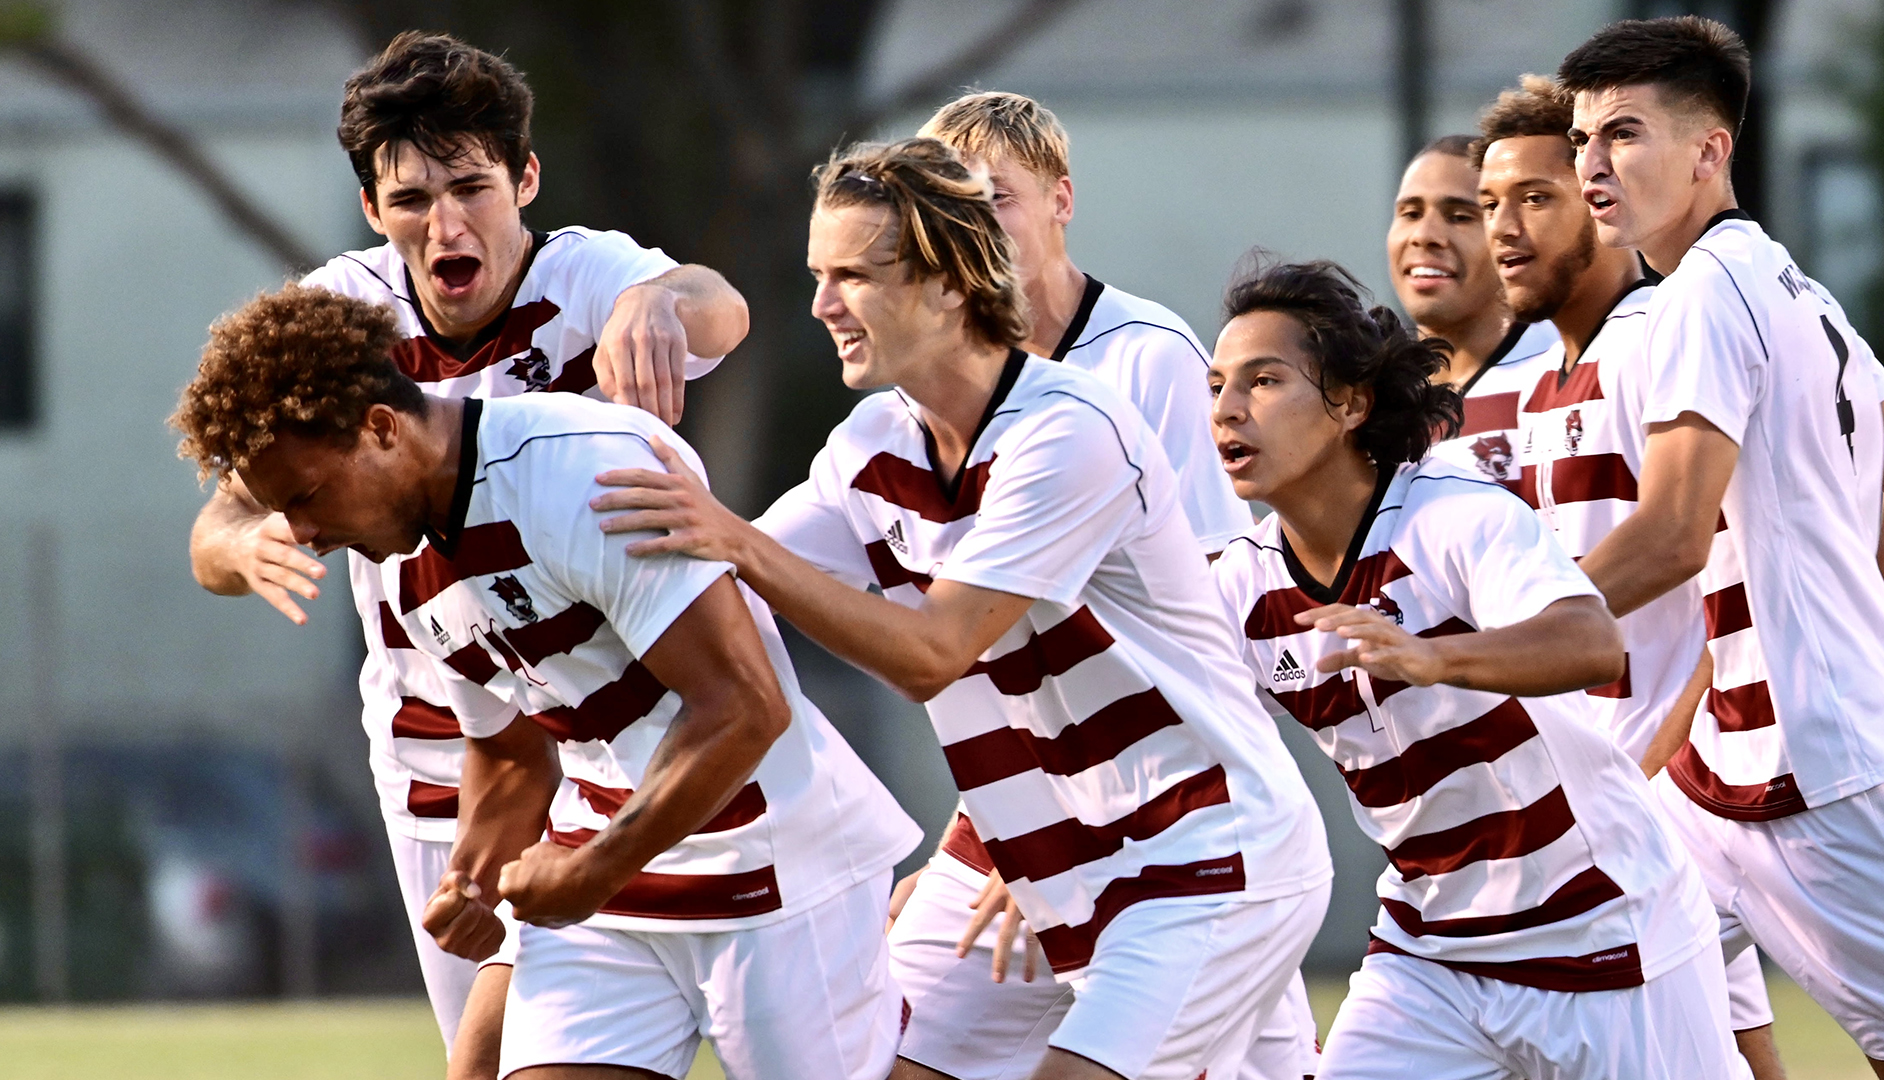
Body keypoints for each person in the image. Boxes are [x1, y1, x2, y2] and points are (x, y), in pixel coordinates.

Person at [592, 137, 1332, 1080]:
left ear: (949, 286)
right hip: (1036, 860)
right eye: (819, 275)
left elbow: (931, 652)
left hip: (1204, 858)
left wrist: (729, 536)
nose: (822, 304)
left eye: (855, 275)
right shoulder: (873, 441)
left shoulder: (1070, 429)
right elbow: (729, 596)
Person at [170, 284, 921, 1080]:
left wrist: (592, 869)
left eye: (308, 497)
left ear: (381, 428)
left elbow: (746, 706)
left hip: (770, 866)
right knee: (480, 1067)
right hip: (607, 881)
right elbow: (509, 750)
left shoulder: (580, 473)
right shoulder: (399, 570)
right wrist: (471, 876)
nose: (306, 534)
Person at [181, 32, 751, 1063]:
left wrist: (656, 304)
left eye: (471, 186)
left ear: (525, 179)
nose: (446, 222)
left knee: (495, 1055)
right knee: (491, 1051)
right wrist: (250, 542)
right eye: (410, 200)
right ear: (371, 210)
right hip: (433, 750)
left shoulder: (585, 276)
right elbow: (214, 526)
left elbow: (722, 307)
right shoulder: (344, 313)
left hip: (589, 747)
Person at [1207, 258, 1749, 1080]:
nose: (1227, 410)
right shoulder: (1238, 584)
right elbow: (1164, 732)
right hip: (1430, 956)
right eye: (1217, 386)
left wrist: (1435, 657)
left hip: (1604, 931)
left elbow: (1590, 640)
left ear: (1350, 403)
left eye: (1264, 380)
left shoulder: (1451, 514)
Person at [869, 90, 1314, 1080]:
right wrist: (999, 832)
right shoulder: (937, 383)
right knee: (890, 1050)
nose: (973, 229)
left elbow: (1215, 612)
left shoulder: (1144, 361)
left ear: (1062, 200)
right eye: (951, 209)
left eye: (998, 201)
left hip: (1186, 813)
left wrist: (1048, 841)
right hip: (1029, 808)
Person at [1561, 16, 1884, 1077]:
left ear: (1711, 149)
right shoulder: (1793, 285)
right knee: (1623, 996)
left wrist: (1492, 631)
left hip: (1830, 776)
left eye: (1623, 134)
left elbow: (1672, 536)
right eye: (1582, 138)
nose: (1592, 165)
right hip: (1731, 769)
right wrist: (1870, 641)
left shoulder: (1704, 296)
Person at [1474, 75, 1785, 1079]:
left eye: (1538, 196)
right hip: (1600, 804)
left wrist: (1678, 759)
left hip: (1671, 799)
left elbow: (1725, 567)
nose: (1504, 230)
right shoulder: (1530, 378)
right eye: (1491, 205)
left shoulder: (1664, 331)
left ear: (1603, 199)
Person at [1387, 135, 1557, 490]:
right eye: (1411, 213)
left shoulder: (1563, 372)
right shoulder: (1364, 408)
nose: (1425, 235)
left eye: (1460, 216)